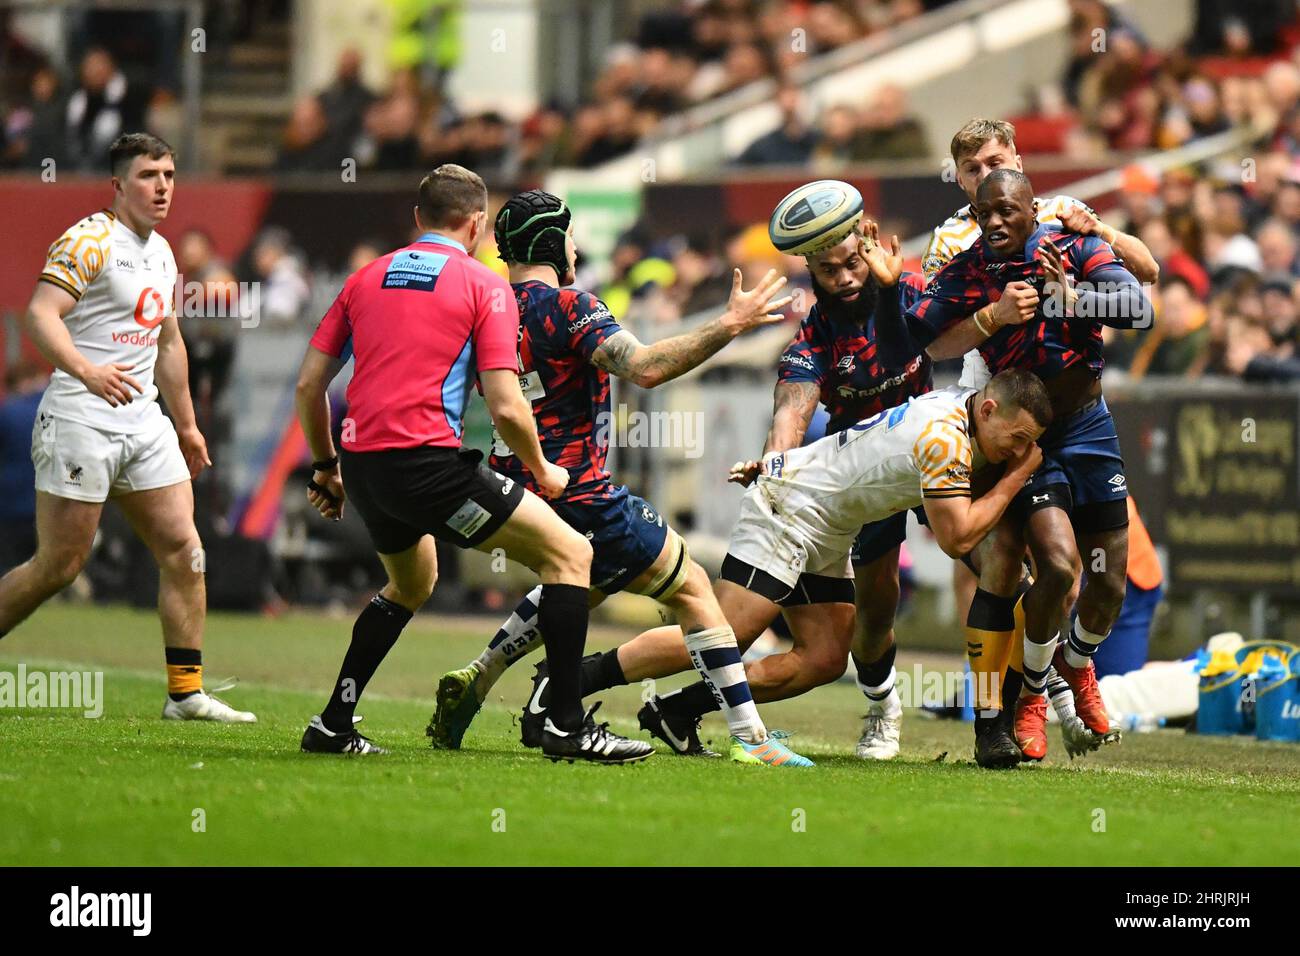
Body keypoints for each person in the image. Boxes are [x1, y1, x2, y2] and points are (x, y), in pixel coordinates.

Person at [428, 189, 812, 766]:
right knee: (696, 592)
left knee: (576, 581)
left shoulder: (487, 307)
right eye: (571, 235)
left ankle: (480, 675)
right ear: (553, 242)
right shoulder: (569, 305)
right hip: (579, 491)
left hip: (513, 487)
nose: (578, 246)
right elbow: (647, 366)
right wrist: (728, 324)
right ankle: (752, 740)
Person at [294, 165, 649, 763]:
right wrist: (544, 468)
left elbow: (309, 386)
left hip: (362, 464)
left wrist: (325, 467)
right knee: (572, 555)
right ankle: (565, 727)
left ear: (417, 220)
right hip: (430, 466)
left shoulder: (366, 277)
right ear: (478, 225)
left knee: (412, 583)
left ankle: (333, 723)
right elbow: (508, 406)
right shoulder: (484, 287)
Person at [723, 215, 1034, 760]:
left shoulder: (909, 288)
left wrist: (997, 314)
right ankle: (882, 708)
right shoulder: (815, 335)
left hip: (944, 444)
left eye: (850, 263)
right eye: (827, 270)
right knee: (876, 606)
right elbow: (792, 412)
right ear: (809, 272)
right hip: (869, 476)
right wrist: (776, 461)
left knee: (1005, 571)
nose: (843, 277)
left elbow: (953, 338)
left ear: (867, 246)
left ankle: (1003, 716)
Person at [615, 369, 1049, 747]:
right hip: (792, 506)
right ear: (988, 410)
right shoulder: (945, 438)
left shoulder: (956, 409)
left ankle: (673, 709)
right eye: (1018, 440)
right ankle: (574, 683)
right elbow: (956, 540)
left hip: (828, 524)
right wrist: (1016, 478)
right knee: (725, 637)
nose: (1019, 451)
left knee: (822, 659)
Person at [887, 168, 1154, 765]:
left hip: (1087, 424)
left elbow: (1140, 307)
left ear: (1033, 206)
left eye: (1008, 209)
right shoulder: (972, 269)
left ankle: (1076, 666)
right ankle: (1029, 697)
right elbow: (919, 337)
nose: (998, 222)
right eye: (987, 214)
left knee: (1109, 581)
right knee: (1057, 568)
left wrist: (1073, 299)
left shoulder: (1076, 244)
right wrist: (989, 317)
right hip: (1025, 439)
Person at [0, 132, 251, 722]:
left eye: (168, 174)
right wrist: (87, 370)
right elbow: (39, 314)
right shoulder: (89, 240)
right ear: (118, 184)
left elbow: (168, 341)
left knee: (186, 550)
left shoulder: (163, 253)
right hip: (81, 417)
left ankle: (185, 694)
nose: (162, 186)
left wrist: (186, 425)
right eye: (148, 175)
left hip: (144, 423)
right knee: (60, 566)